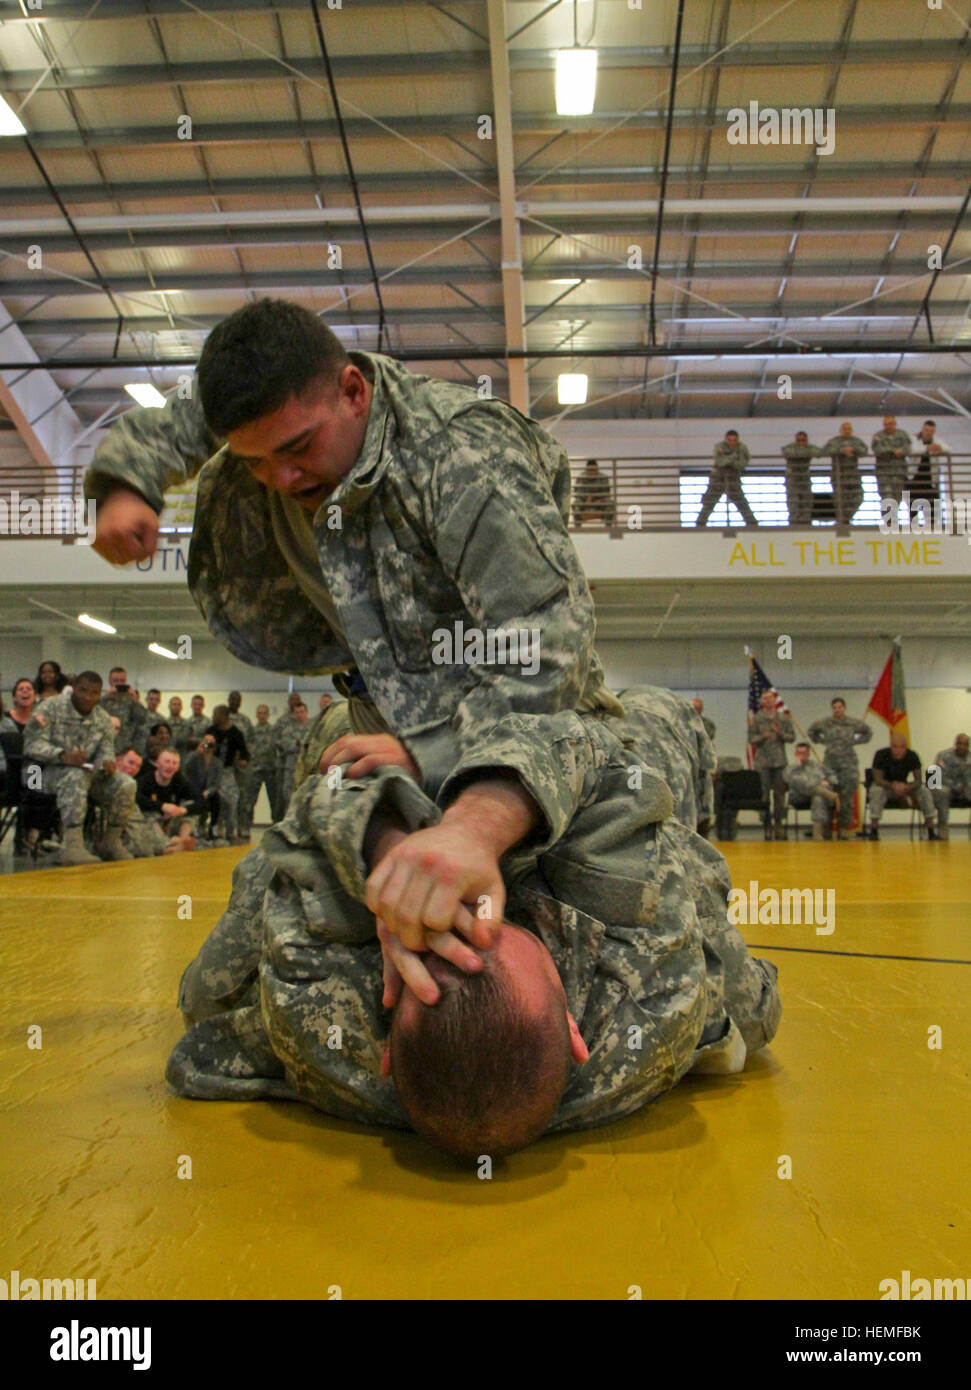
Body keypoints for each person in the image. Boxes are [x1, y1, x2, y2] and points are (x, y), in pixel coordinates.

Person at [87, 298, 780, 1156]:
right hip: (384, 715)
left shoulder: (465, 457)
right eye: (252, 460)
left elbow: (543, 661)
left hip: (526, 724)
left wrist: (440, 787)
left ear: (352, 391)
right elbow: (188, 415)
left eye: (298, 449)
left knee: (643, 742)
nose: (281, 480)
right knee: (342, 751)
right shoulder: (276, 420)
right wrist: (126, 482)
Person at [169, 701, 780, 1160]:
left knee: (206, 993)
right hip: (551, 765)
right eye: (480, 925)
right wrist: (483, 825)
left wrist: (386, 849)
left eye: (434, 935)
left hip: (395, 765)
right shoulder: (651, 998)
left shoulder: (320, 1007)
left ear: (382, 1054)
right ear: (575, 1028)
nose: (464, 912)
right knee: (748, 1011)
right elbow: (595, 754)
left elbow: (314, 808)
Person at [23, 672, 137, 865]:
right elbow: (31, 745)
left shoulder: (102, 718)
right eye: (83, 690)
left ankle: (110, 841)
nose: (87, 697)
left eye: (94, 692)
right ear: (74, 687)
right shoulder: (51, 707)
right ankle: (72, 845)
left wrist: (107, 762)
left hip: (85, 774)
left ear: (100, 694)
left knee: (126, 784)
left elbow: (106, 749)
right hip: (39, 773)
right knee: (75, 774)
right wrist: (62, 755)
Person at [808, 697, 872, 839]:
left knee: (846, 797)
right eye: (835, 707)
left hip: (848, 764)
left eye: (839, 707)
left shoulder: (853, 723)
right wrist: (823, 741)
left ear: (844, 708)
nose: (837, 710)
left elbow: (868, 733)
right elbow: (811, 732)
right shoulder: (825, 723)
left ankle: (843, 828)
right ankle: (827, 828)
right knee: (828, 795)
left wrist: (855, 741)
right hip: (830, 763)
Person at [865, 733, 939, 840]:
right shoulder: (881, 754)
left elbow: (918, 780)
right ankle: (874, 830)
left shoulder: (912, 755)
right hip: (886, 787)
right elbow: (877, 779)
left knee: (924, 790)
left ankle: (931, 830)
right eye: (895, 746)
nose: (898, 750)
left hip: (905, 787)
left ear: (906, 747)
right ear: (890, 746)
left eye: (902, 747)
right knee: (876, 790)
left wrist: (907, 787)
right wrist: (892, 785)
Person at [747, 690, 795, 840]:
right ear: (762, 702)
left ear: (775, 700)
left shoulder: (783, 718)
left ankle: (779, 824)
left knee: (779, 795)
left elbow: (792, 737)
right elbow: (751, 738)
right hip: (763, 763)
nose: (768, 701)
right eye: (765, 699)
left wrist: (780, 733)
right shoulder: (757, 718)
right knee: (764, 796)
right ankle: (767, 824)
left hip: (779, 762)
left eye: (770, 698)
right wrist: (762, 736)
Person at [695, 429, 757, 528]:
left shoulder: (742, 448)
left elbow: (742, 464)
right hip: (718, 479)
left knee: (742, 503)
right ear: (726, 439)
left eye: (734, 440)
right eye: (730, 440)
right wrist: (733, 458)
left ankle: (753, 525)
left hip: (733, 479)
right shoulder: (719, 446)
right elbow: (720, 462)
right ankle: (700, 525)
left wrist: (727, 458)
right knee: (709, 503)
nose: (732, 443)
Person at [205, 705, 248, 842]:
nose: (213, 717)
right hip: (211, 769)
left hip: (227, 771)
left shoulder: (235, 733)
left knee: (231, 801)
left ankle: (231, 832)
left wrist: (243, 760)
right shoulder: (211, 731)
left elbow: (244, 751)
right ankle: (209, 829)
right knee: (208, 799)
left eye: (215, 714)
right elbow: (203, 748)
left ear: (223, 716)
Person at [783, 743, 839, 841]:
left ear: (809, 753)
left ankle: (817, 834)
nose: (801, 755)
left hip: (817, 795)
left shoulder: (817, 765)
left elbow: (832, 776)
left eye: (804, 753)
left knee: (817, 798)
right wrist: (797, 765)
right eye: (799, 752)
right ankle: (828, 794)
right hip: (799, 796)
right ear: (795, 753)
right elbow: (787, 779)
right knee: (799, 780)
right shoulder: (790, 768)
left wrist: (829, 781)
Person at [239, 703, 276, 835]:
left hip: (270, 769)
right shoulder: (251, 731)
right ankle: (245, 827)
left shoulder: (274, 731)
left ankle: (276, 827)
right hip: (254, 769)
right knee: (249, 800)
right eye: (259, 713)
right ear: (256, 715)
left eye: (264, 713)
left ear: (268, 715)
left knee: (275, 800)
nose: (262, 716)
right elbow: (244, 749)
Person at [820, 422, 867, 524]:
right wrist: (841, 450)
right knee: (840, 502)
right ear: (841, 430)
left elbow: (865, 451)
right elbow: (824, 451)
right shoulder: (834, 441)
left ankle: (845, 519)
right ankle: (843, 521)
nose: (847, 431)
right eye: (844, 429)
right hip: (839, 476)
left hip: (853, 476)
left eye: (849, 429)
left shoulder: (856, 441)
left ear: (852, 430)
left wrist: (853, 450)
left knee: (858, 497)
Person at [908, 420, 952, 522]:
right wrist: (927, 448)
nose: (928, 433)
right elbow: (911, 450)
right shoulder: (913, 439)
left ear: (934, 432)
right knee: (913, 512)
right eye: (926, 430)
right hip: (914, 481)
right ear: (923, 429)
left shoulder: (936, 441)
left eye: (931, 431)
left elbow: (948, 449)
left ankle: (932, 531)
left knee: (933, 513)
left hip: (931, 482)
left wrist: (939, 448)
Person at [931, 733, 971, 840]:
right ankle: (943, 827)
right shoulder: (943, 756)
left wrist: (965, 787)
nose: (962, 746)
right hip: (947, 788)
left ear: (968, 746)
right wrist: (957, 787)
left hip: (965, 789)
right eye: (959, 743)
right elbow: (935, 778)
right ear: (955, 744)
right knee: (941, 791)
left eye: (965, 744)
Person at [780, 431, 820, 525]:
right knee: (793, 501)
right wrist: (806, 453)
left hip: (804, 476)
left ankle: (805, 521)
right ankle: (794, 522)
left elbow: (820, 453)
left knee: (806, 501)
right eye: (799, 440)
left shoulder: (810, 447)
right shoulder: (790, 447)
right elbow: (788, 452)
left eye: (803, 440)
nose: (801, 442)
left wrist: (802, 452)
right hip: (793, 476)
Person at [871, 416, 911, 507]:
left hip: (899, 472)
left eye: (890, 424)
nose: (888, 426)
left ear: (895, 424)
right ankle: (888, 520)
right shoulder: (878, 436)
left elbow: (908, 449)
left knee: (897, 498)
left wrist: (901, 451)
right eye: (886, 424)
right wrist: (893, 451)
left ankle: (894, 520)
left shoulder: (902, 434)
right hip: (884, 473)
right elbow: (878, 450)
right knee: (887, 498)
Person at [100, 667, 142, 751]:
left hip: (125, 747)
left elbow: (142, 719)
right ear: (109, 681)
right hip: (104, 745)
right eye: (116, 681)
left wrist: (135, 700)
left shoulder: (131, 701)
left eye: (122, 681)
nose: (119, 683)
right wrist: (106, 697)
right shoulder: (103, 700)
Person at [277, 700, 309, 809]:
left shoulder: (313, 728)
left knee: (307, 796)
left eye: (302, 712)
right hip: (291, 768)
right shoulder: (288, 729)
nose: (299, 714)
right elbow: (285, 746)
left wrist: (300, 743)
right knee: (288, 796)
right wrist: (298, 744)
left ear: (306, 712)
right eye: (297, 712)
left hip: (307, 768)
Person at [570, 459, 615, 527]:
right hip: (585, 502)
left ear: (597, 470)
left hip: (599, 503)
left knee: (610, 503)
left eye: (593, 470)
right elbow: (578, 493)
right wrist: (587, 500)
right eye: (589, 470)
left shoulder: (603, 478)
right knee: (575, 504)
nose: (591, 472)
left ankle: (608, 526)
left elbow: (606, 493)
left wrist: (596, 501)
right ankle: (577, 527)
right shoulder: (581, 478)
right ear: (586, 469)